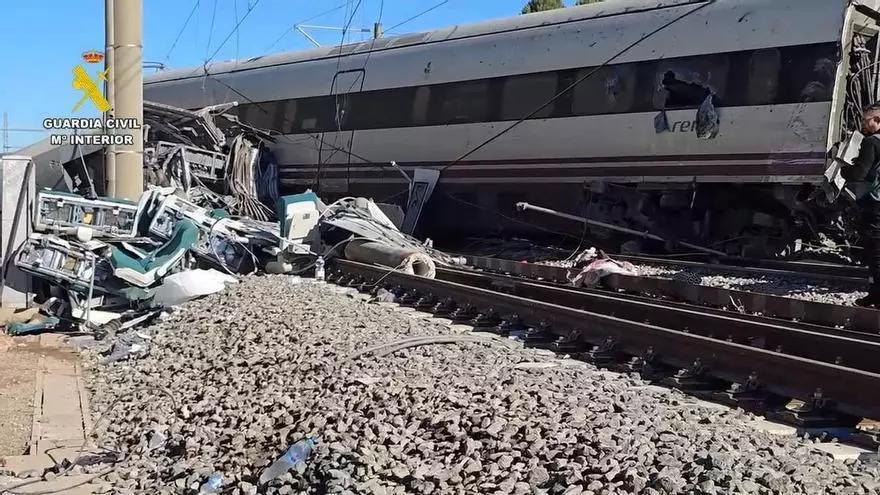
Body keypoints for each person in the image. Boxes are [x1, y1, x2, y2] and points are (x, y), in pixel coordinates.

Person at [842, 103, 880, 307]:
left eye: (867, 121)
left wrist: (844, 171)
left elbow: (859, 173)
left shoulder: (871, 142)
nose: (864, 125)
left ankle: (877, 294)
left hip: (875, 203)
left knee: (875, 250)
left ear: (878, 120)